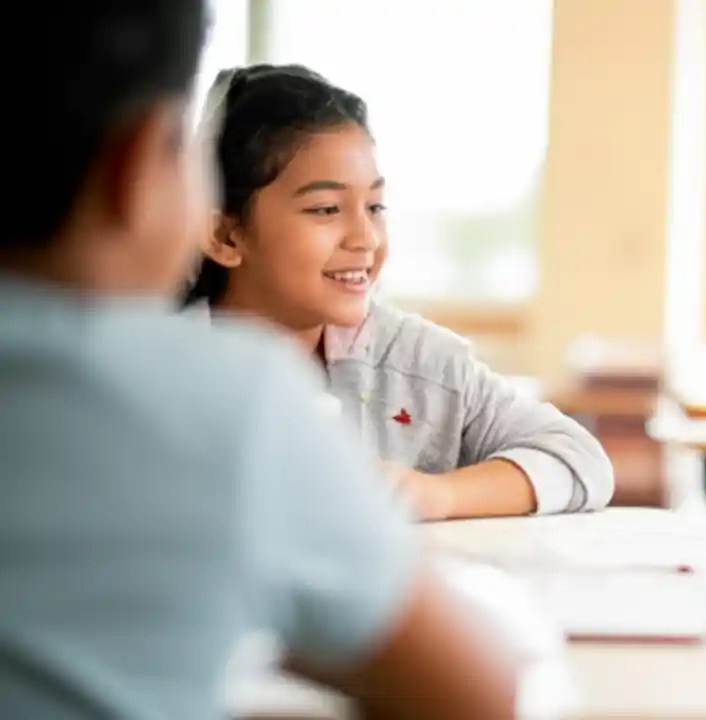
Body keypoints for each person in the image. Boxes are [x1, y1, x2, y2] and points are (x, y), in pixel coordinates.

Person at [0, 1, 523, 716]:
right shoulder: (221, 398)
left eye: (375, 206)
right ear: (136, 166)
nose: (363, 237)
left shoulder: (415, 355)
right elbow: (475, 693)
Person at [182, 64, 614, 521]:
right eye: (326, 209)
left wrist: (437, 494)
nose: (365, 238)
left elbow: (579, 460)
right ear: (226, 236)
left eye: (375, 206)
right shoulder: (145, 378)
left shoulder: (419, 364)